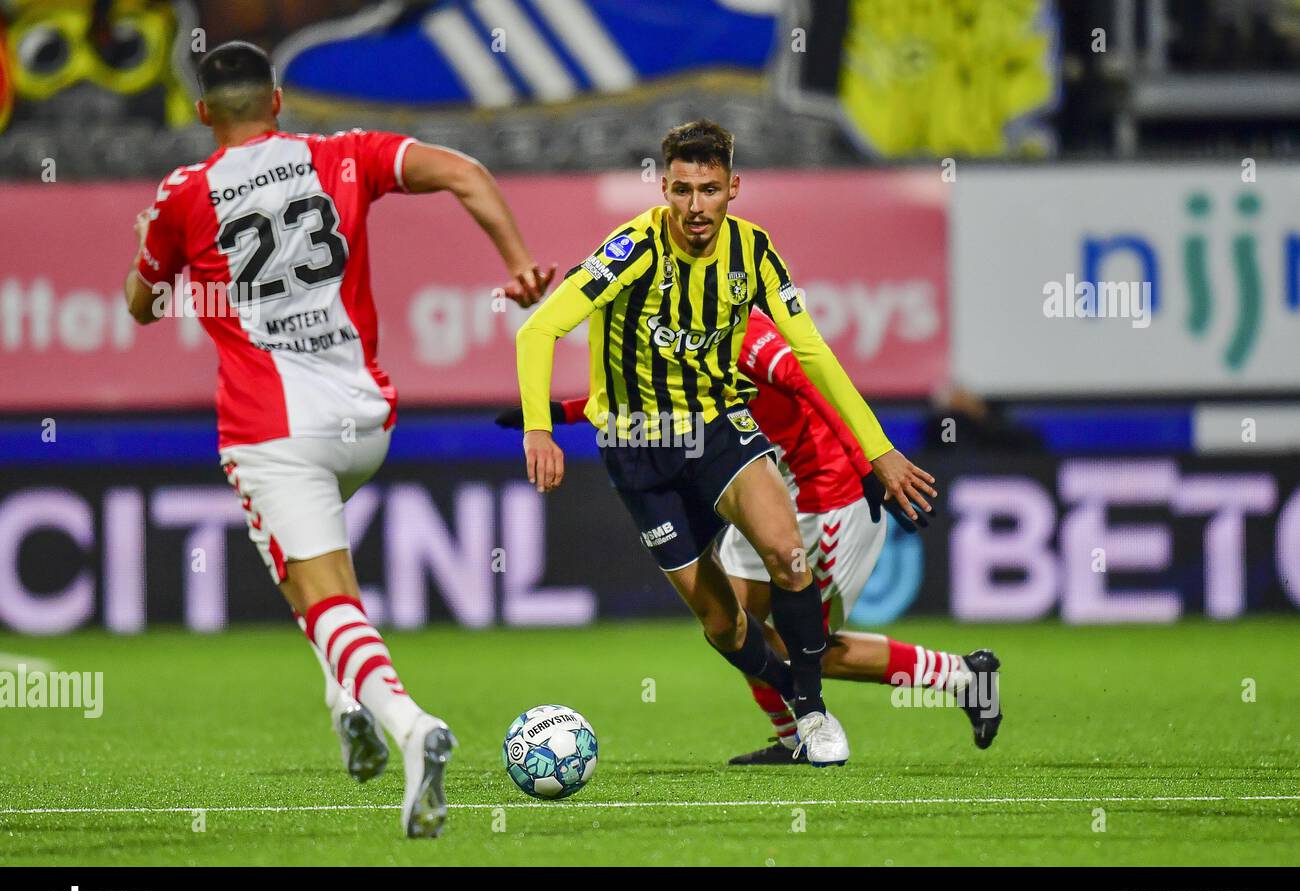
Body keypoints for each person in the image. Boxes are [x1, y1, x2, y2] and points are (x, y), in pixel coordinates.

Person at [123, 41, 554, 837]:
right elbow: (465, 172)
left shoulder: (186, 193)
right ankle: (343, 697)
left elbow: (140, 304)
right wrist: (521, 265)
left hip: (274, 429)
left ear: (201, 111)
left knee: (322, 599)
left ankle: (408, 723)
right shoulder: (343, 157)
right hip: (366, 423)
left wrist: (161, 251)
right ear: (279, 101)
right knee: (303, 573)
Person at [513, 119, 936, 766]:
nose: (694, 207)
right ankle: (795, 695)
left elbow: (811, 352)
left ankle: (814, 712)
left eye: (709, 189)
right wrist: (539, 428)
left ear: (733, 187)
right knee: (722, 624)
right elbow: (537, 332)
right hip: (638, 449)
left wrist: (875, 448)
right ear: (663, 188)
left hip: (717, 428)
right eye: (681, 190)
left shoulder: (755, 252)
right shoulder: (631, 251)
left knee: (788, 554)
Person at [499, 308, 1001, 764]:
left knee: (808, 648)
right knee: (734, 625)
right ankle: (792, 737)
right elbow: (652, 400)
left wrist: (869, 461)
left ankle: (959, 676)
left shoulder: (739, 327)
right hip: (771, 481)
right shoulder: (670, 329)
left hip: (828, 495)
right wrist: (556, 414)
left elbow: (812, 385)